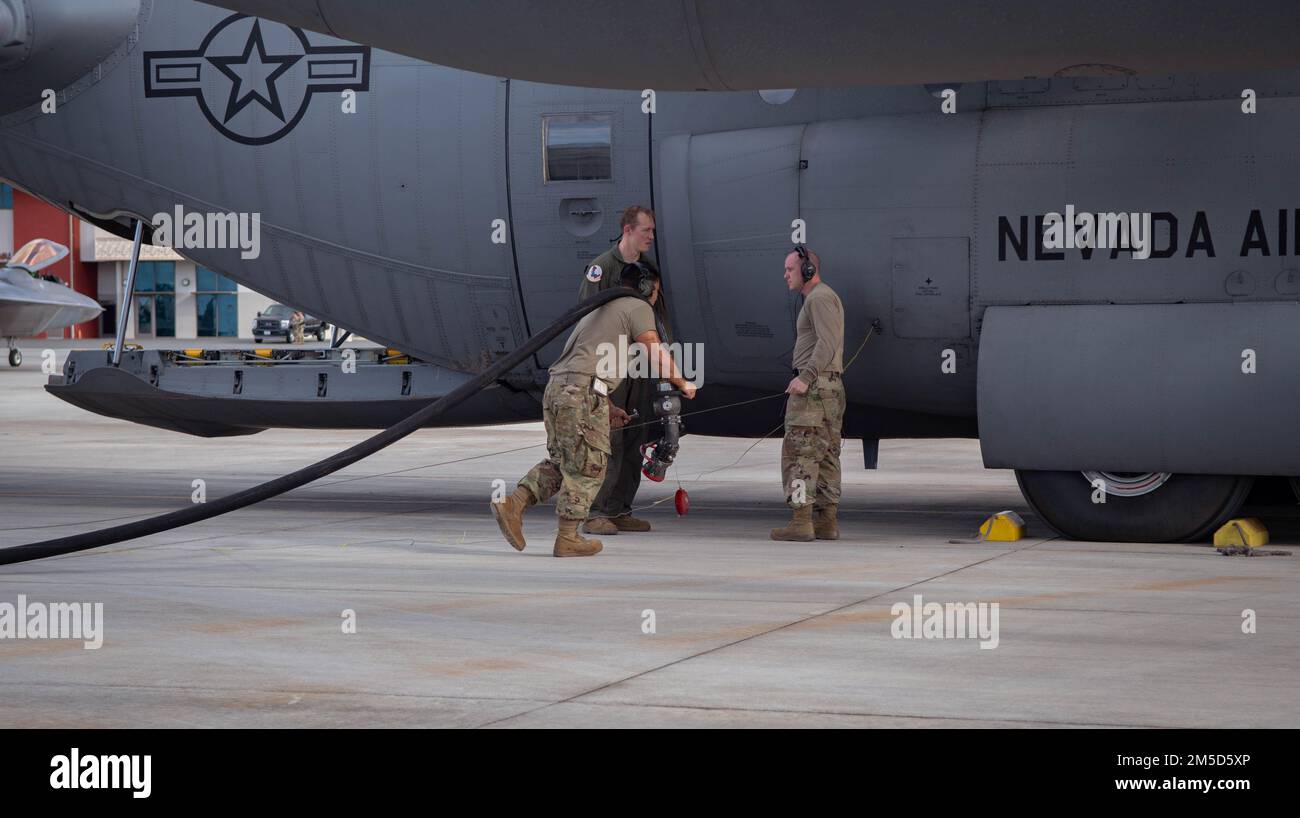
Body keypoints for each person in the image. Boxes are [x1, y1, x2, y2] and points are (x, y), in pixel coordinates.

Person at [492, 264, 696, 557]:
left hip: (561, 389)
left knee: (564, 462)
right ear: (645, 287)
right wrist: (682, 382)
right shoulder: (636, 306)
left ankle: (514, 504)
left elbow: (585, 360)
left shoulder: (601, 309)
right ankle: (568, 537)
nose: (656, 296)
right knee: (590, 466)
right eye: (656, 289)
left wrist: (608, 405)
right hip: (582, 392)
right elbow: (653, 347)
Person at [577, 205, 672, 537]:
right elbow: (587, 317)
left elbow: (655, 317)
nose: (651, 236)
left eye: (653, 231)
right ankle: (596, 510)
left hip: (638, 364)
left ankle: (620, 509)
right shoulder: (602, 268)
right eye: (646, 230)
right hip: (609, 363)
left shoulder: (647, 270)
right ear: (628, 230)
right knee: (609, 437)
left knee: (635, 435)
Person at [772, 245, 846, 542]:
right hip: (828, 388)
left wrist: (805, 377)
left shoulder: (819, 299)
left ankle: (801, 520)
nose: (786, 275)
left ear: (808, 270)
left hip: (814, 389)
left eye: (790, 269)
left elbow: (827, 342)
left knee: (800, 453)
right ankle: (827, 522)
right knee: (826, 454)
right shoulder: (822, 298)